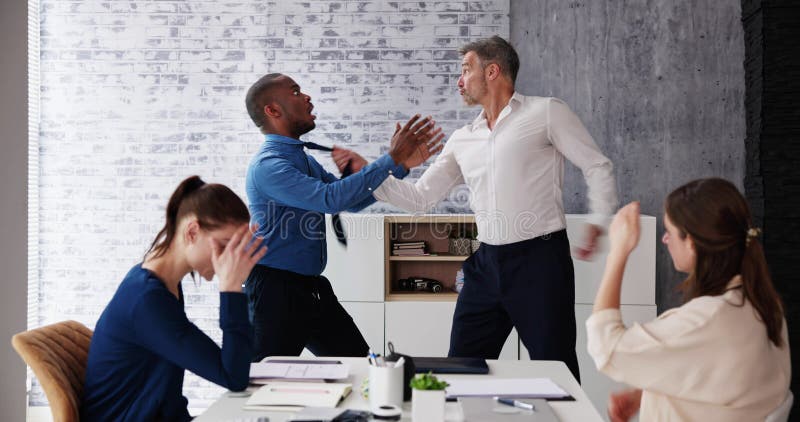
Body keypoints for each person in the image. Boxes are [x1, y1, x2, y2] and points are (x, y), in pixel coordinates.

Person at [372, 35, 618, 380]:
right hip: (484, 265)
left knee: (557, 369)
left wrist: (600, 220)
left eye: (465, 69)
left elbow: (597, 165)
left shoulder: (546, 112)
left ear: (492, 71)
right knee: (460, 368)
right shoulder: (463, 139)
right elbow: (420, 198)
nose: (459, 80)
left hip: (540, 263)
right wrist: (367, 175)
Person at [244, 73, 443, 361]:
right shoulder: (269, 166)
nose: (307, 96)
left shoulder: (302, 160)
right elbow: (331, 199)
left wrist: (398, 167)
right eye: (296, 92)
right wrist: (391, 159)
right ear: (273, 110)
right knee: (262, 379)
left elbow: (350, 202)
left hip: (310, 288)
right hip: (274, 292)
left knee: (359, 366)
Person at [587, 178, 790, 421]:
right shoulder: (765, 305)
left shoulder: (709, 321)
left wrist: (618, 253)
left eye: (669, 232)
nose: (665, 240)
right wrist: (645, 396)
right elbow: (724, 381)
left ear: (691, 243)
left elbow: (606, 347)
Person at [81, 176, 267, 421]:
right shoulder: (147, 301)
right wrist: (232, 288)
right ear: (192, 232)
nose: (230, 258)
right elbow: (233, 376)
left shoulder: (161, 284)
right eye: (224, 246)